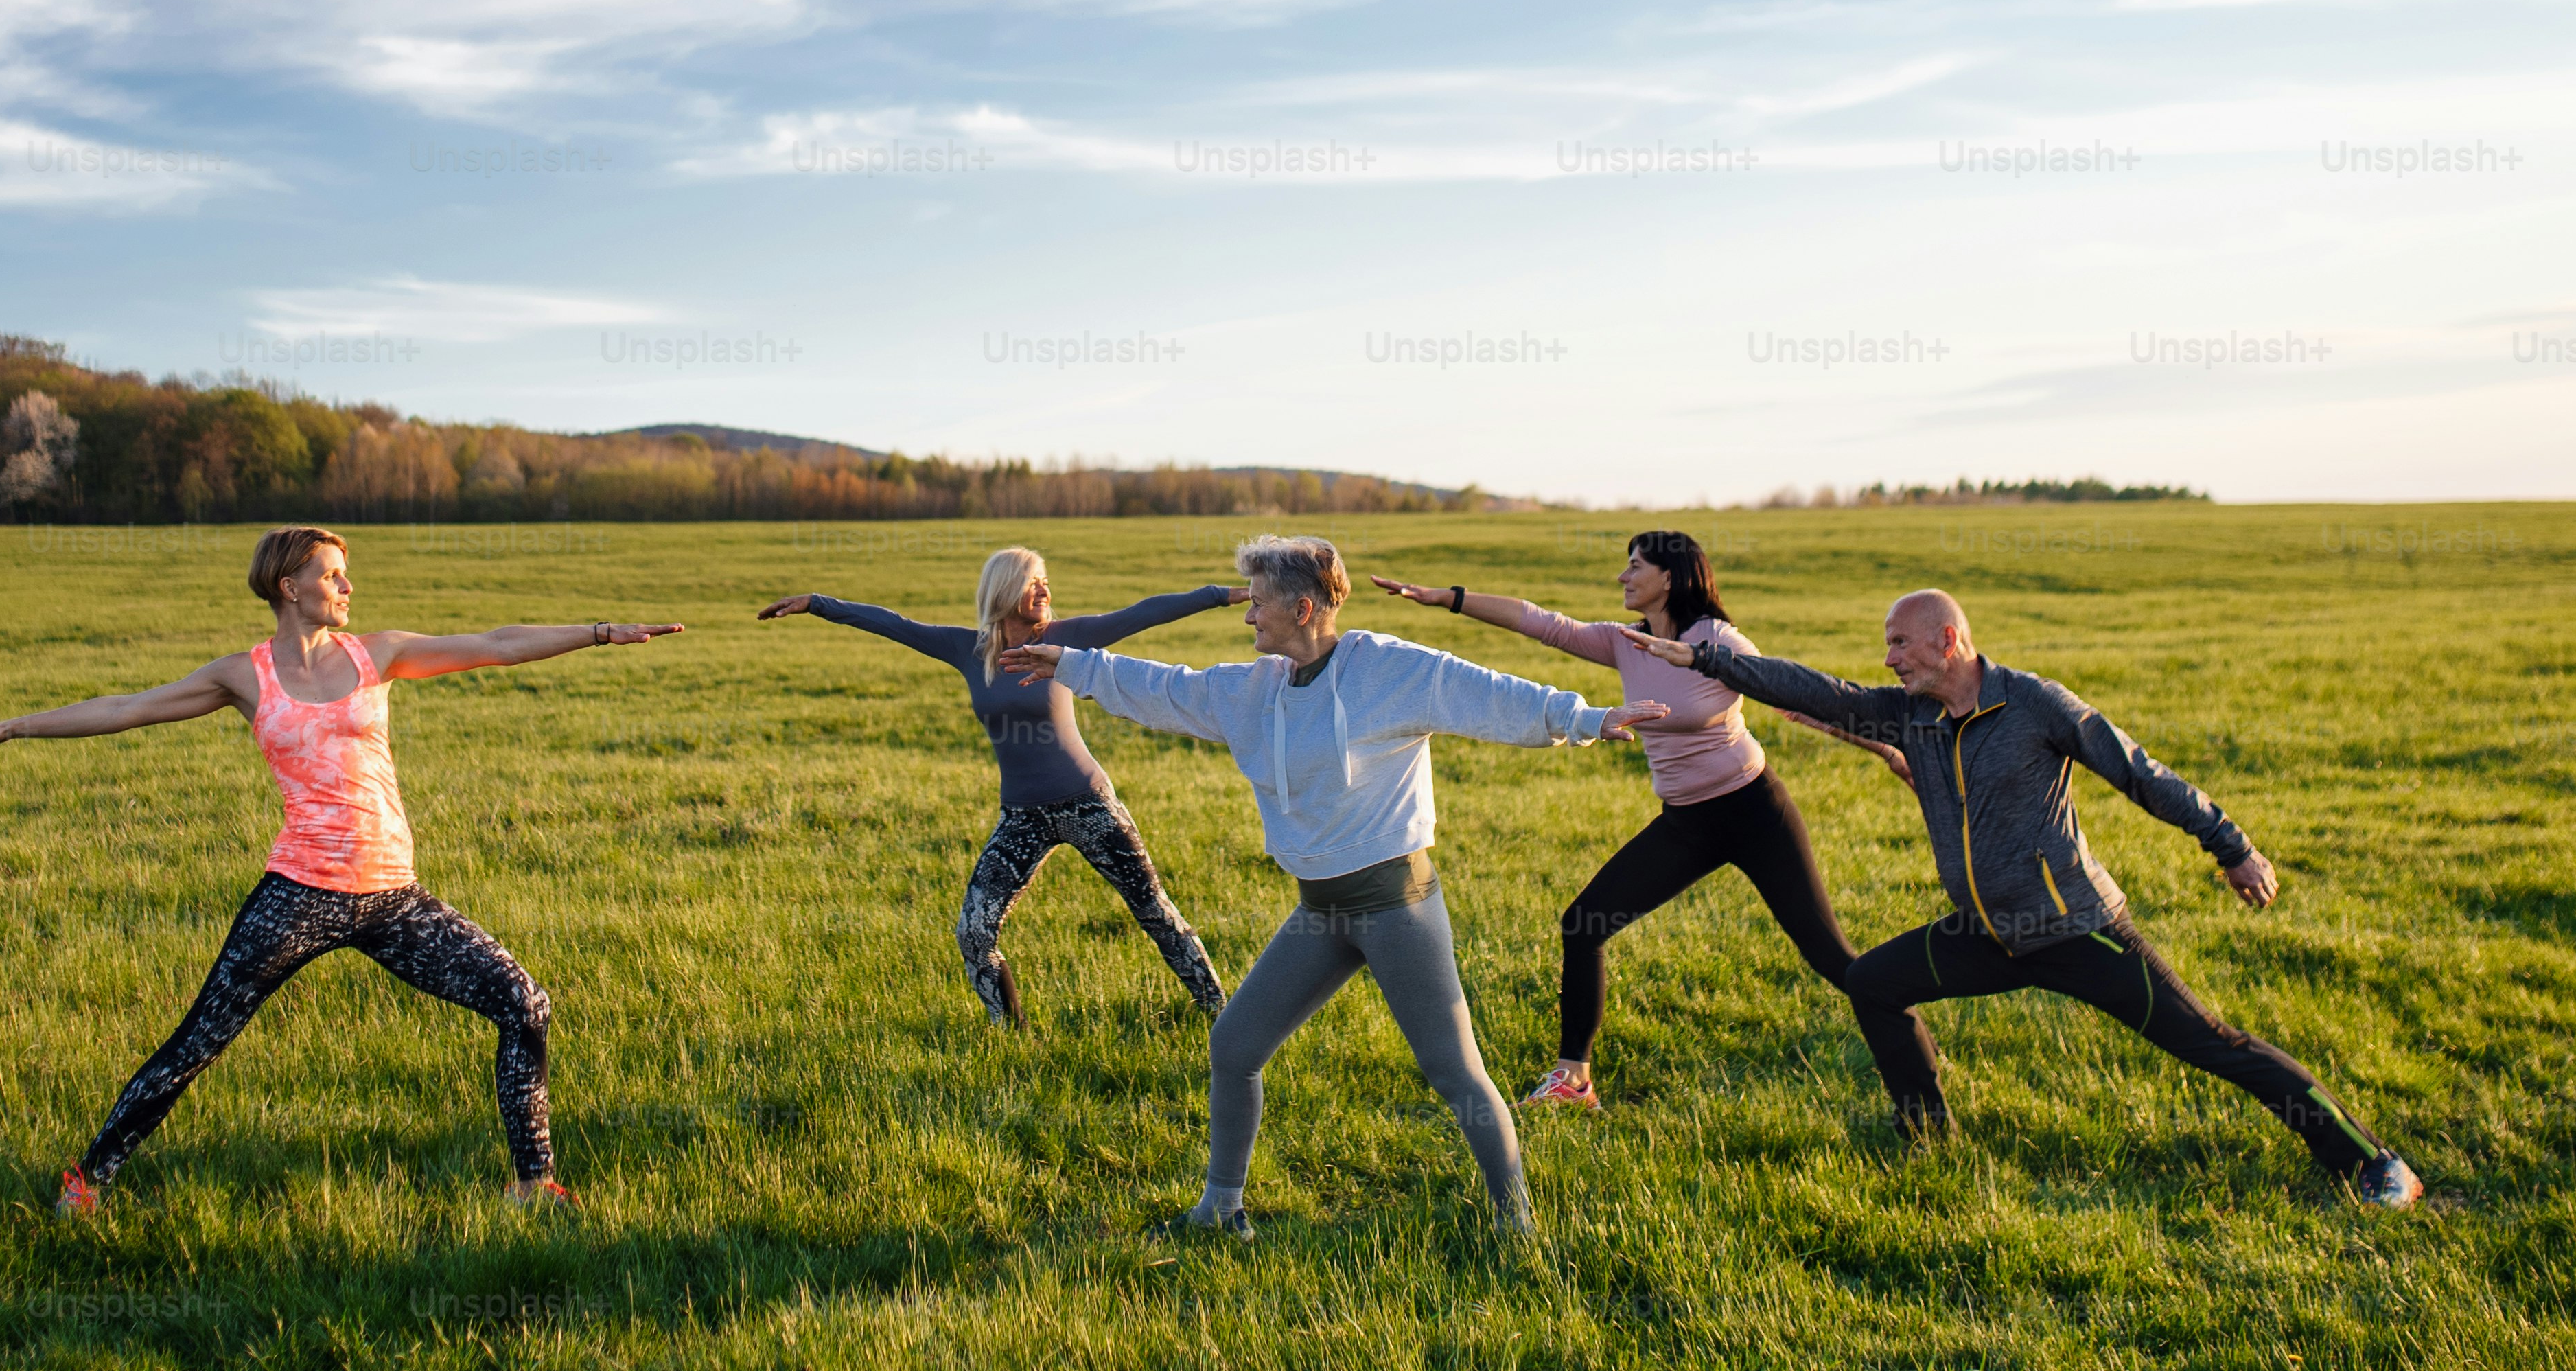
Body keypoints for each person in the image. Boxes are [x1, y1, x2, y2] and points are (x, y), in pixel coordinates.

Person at [0, 523, 682, 1216]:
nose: (347, 586)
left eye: (347, 574)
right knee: (198, 1041)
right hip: (297, 894)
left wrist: (600, 633)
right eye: (332, 574)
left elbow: (495, 641)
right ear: (288, 587)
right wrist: (13, 727)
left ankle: (531, 1181)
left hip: (393, 896)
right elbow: (131, 707)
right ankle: (91, 1177)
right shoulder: (244, 675)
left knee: (524, 1002)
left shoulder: (378, 653)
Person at [997, 533, 1665, 1238]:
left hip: (1395, 906)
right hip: (1320, 912)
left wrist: (1585, 718)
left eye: (1259, 604)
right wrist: (1070, 663)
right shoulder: (1254, 687)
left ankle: (1516, 1225)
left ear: (1304, 606)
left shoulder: (1386, 670)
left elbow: (1484, 692)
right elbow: (1168, 688)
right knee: (1235, 1045)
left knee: (1454, 1073)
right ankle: (1221, 1212)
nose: (1249, 617)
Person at [1669, 587, 2424, 1207]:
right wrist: (1705, 659)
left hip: (2077, 931)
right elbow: (1818, 691)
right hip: (1987, 933)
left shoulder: (2033, 705)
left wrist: (2232, 847)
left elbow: (2141, 773)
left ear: (1949, 641)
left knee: (2212, 1044)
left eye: (1901, 643)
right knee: (1872, 981)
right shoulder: (1915, 716)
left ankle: (2372, 1161)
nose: (1888, 657)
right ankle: (1930, 1144)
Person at [1371, 530, 1917, 1110]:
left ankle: (1915, 1071)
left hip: (1755, 811)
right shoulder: (1627, 643)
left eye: (1635, 566)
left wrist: (1886, 749)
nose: (1622, 577)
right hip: (1686, 822)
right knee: (1584, 922)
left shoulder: (1718, 642)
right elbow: (1541, 622)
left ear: (1671, 576)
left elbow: (1795, 697)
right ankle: (1572, 1079)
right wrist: (1448, 598)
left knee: (1833, 959)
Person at [758, 551, 1233, 1026]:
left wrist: (1225, 596)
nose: (1045, 591)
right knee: (974, 933)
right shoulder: (968, 650)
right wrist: (816, 603)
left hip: (1088, 803)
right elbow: (892, 623)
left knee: (1152, 910)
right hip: (1022, 816)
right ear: (1005, 592)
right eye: (1034, 584)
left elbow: (1144, 612)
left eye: (1047, 582)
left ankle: (1219, 1011)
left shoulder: (1066, 638)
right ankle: (1010, 1031)